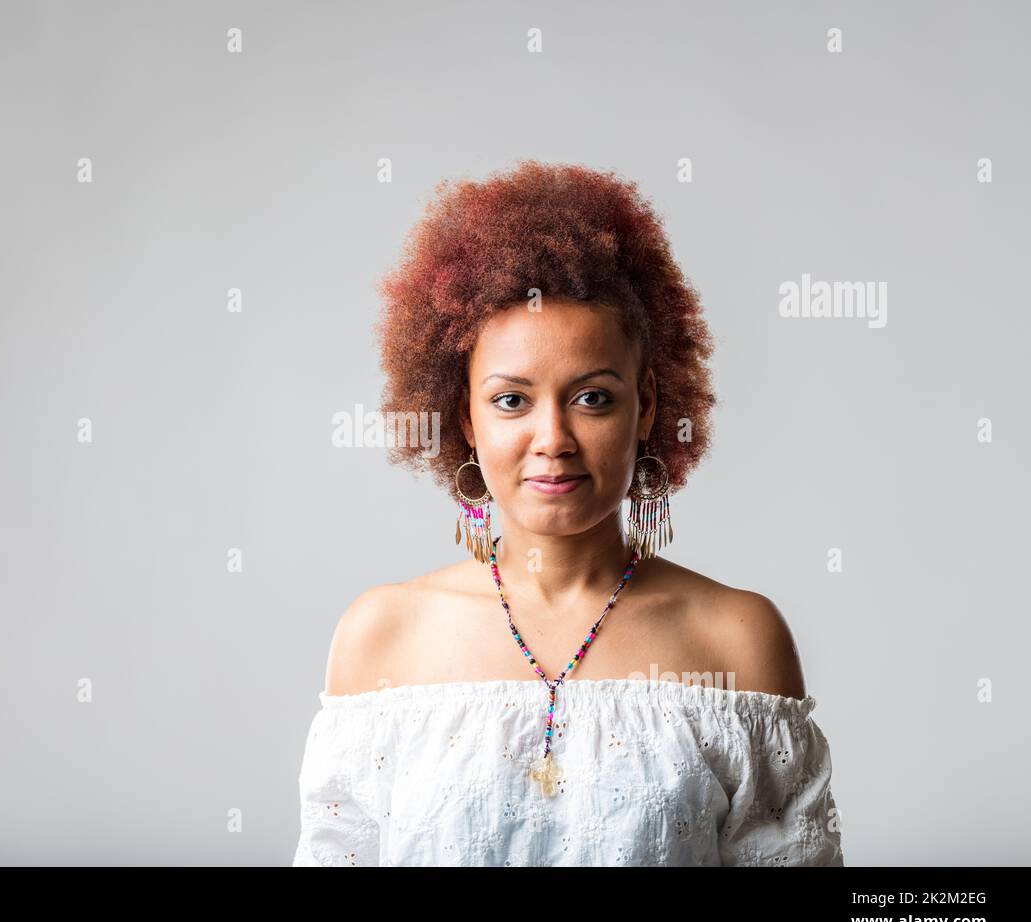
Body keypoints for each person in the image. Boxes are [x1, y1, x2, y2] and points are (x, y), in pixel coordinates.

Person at [292, 160, 844, 866]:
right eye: (511, 400)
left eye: (592, 397)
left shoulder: (738, 640)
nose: (552, 439)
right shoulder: (381, 637)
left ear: (646, 406)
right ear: (464, 415)